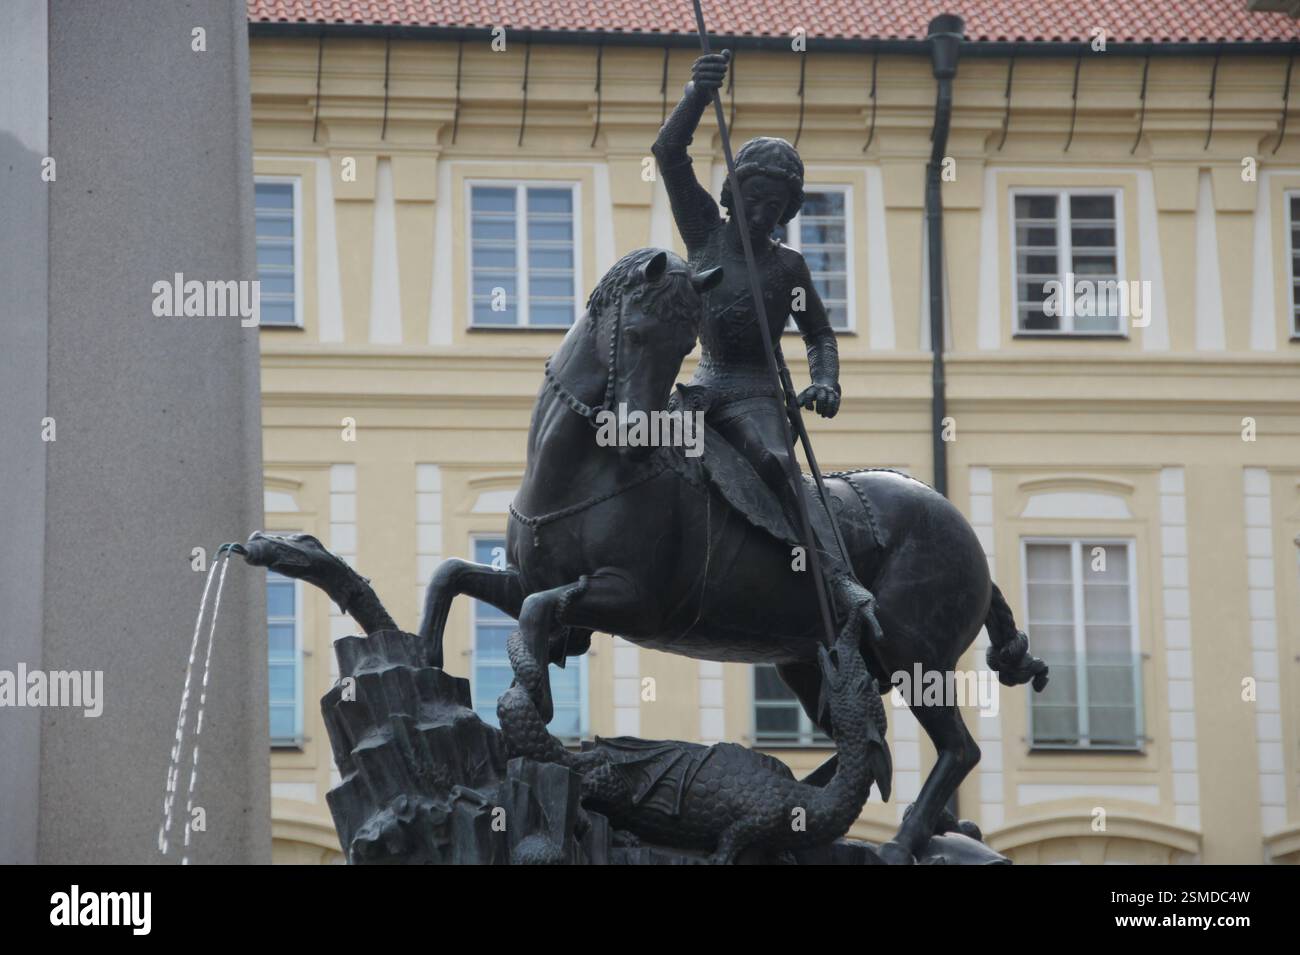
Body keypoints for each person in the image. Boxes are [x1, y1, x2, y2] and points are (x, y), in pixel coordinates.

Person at [652, 49, 874, 629]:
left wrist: (825, 381)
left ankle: (837, 578)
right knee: (632, 440)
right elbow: (668, 154)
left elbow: (819, 334)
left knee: (778, 463)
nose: (762, 212)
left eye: (775, 206)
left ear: (787, 212)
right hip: (703, 387)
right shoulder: (703, 232)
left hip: (754, 395)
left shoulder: (788, 269)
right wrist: (698, 93)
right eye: (754, 198)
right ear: (732, 194)